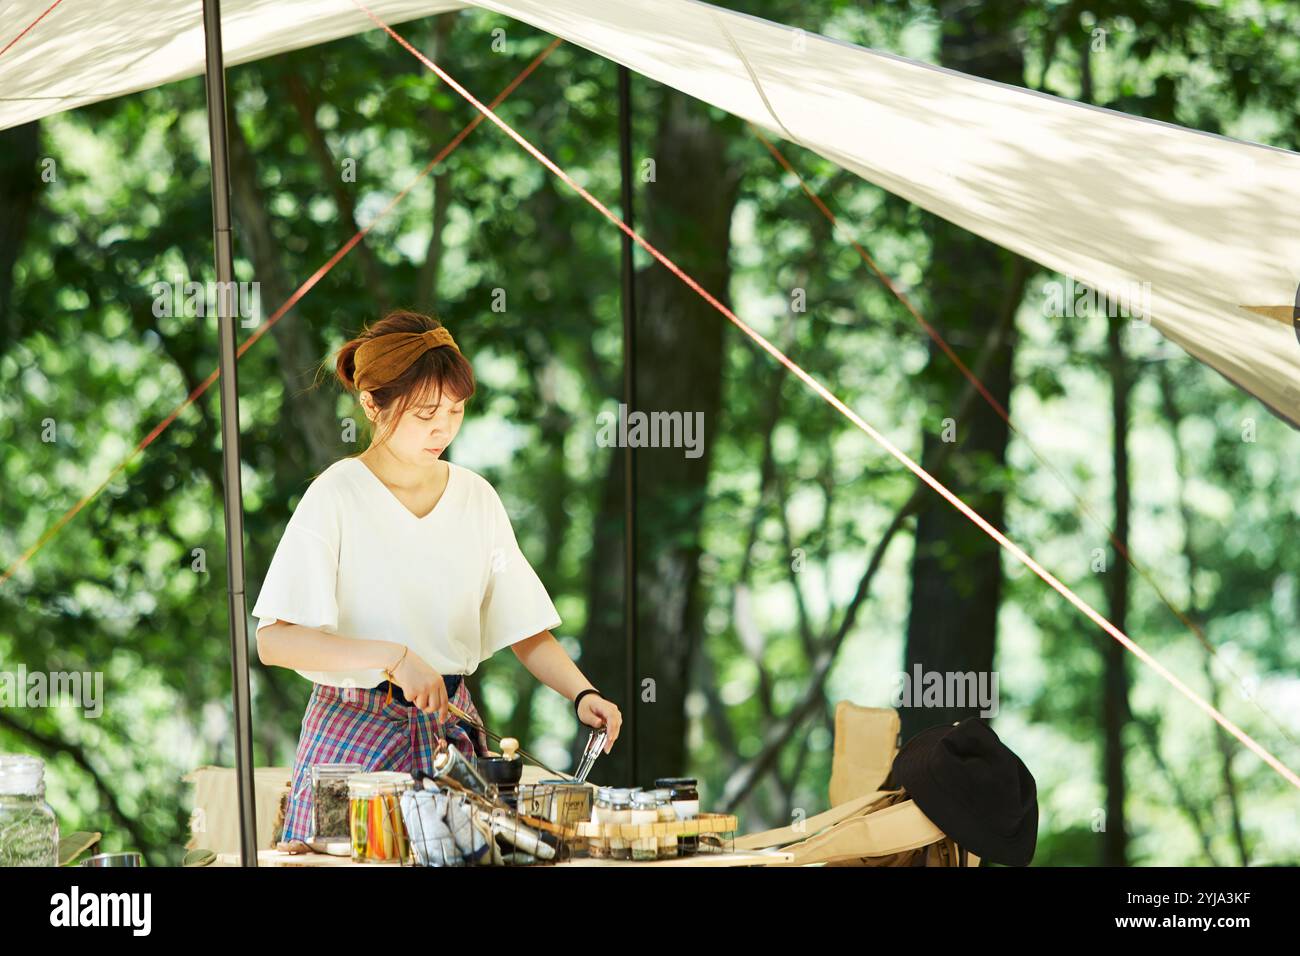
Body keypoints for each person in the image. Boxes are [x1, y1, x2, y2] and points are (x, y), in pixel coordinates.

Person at [253, 309, 622, 843]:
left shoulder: (477, 498)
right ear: (371, 403)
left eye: (456, 409)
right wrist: (393, 658)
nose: (443, 426)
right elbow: (275, 641)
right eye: (426, 412)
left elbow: (526, 631)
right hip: (352, 735)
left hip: (451, 738)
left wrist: (582, 694)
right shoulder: (336, 494)